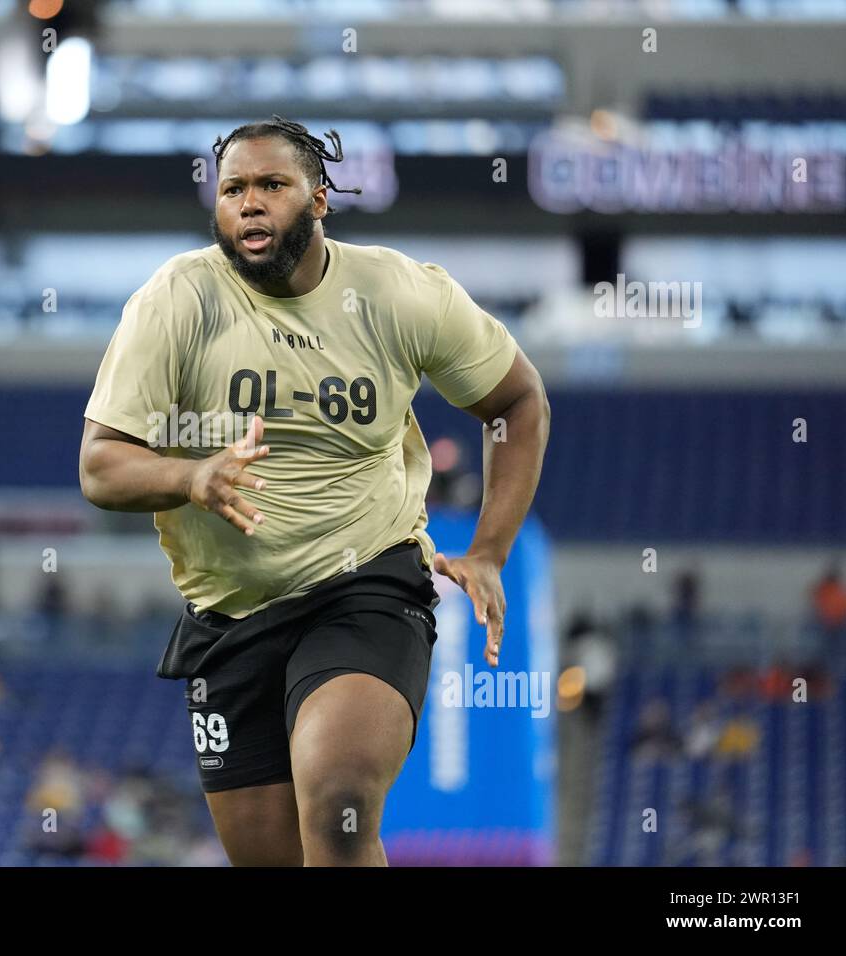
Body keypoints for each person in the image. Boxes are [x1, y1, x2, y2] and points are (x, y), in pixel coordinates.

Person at [78, 116, 550, 866]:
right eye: (233, 189)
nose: (250, 203)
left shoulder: (399, 293)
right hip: (228, 618)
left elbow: (517, 403)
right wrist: (190, 476)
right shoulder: (176, 301)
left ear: (320, 199)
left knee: (338, 808)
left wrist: (489, 550)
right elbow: (101, 465)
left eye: (272, 185)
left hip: (364, 588)